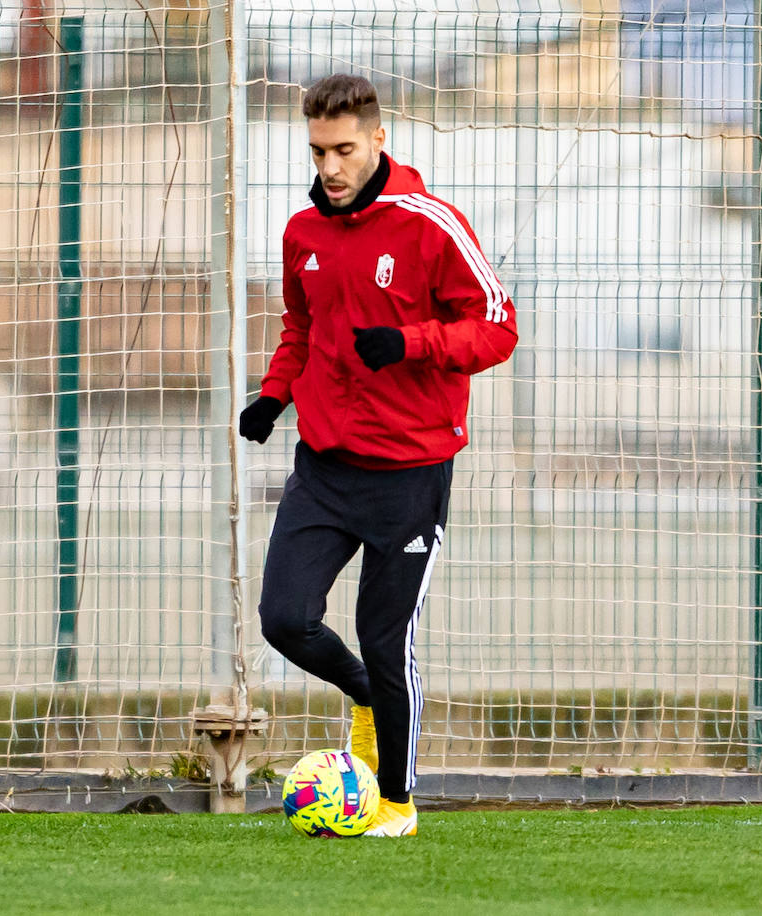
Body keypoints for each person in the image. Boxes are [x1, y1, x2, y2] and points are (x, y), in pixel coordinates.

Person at [239, 74, 518, 837]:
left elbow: (498, 328)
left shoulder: (431, 225)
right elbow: (302, 329)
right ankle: (362, 695)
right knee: (285, 619)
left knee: (387, 641)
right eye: (318, 151)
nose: (330, 167)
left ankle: (395, 803)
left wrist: (411, 342)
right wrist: (274, 395)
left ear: (377, 139)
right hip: (324, 469)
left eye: (344, 150)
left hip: (409, 475)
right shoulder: (304, 233)